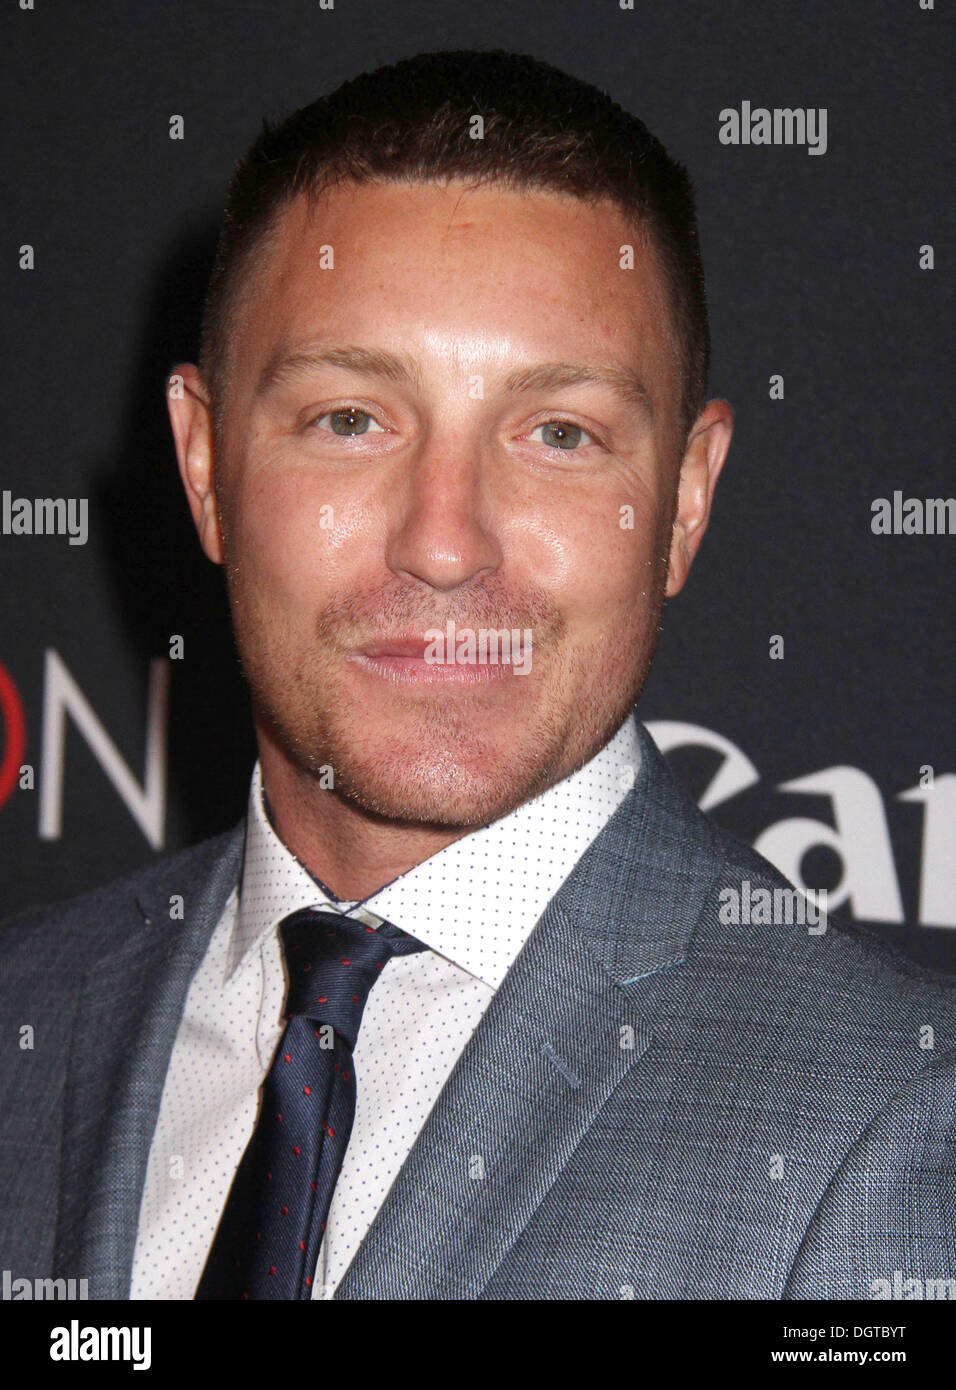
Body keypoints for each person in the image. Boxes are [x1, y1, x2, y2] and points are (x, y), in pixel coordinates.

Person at [1, 48, 954, 1302]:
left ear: (682, 500)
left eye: (557, 434)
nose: (444, 542)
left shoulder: (884, 1124)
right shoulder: (28, 1009)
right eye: (350, 418)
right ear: (203, 463)